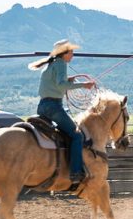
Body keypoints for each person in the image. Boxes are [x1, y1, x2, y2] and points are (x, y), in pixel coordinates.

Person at [28, 39, 95, 186]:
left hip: (43, 107)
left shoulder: (51, 64)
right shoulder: (61, 64)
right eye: (71, 51)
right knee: (77, 136)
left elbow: (56, 82)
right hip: (54, 107)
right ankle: (76, 172)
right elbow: (60, 84)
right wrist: (84, 85)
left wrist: (68, 79)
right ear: (64, 53)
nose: (73, 54)